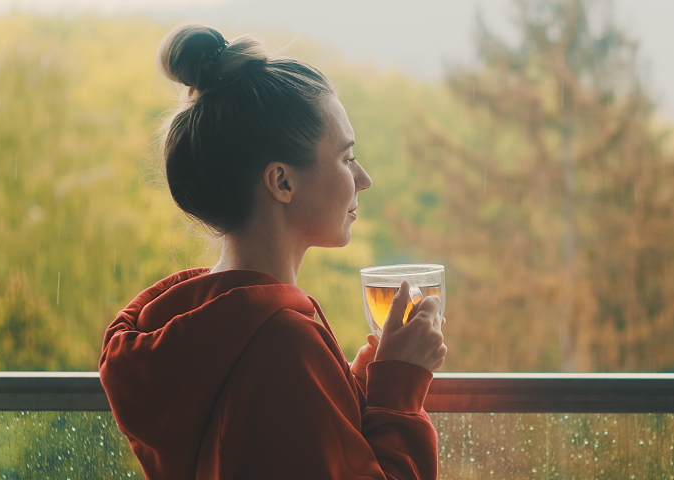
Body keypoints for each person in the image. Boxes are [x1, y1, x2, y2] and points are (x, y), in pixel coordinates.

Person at [99, 24, 447, 480]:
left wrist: (355, 388)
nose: (363, 179)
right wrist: (399, 390)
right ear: (282, 182)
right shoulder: (283, 342)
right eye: (346, 158)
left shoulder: (193, 329)